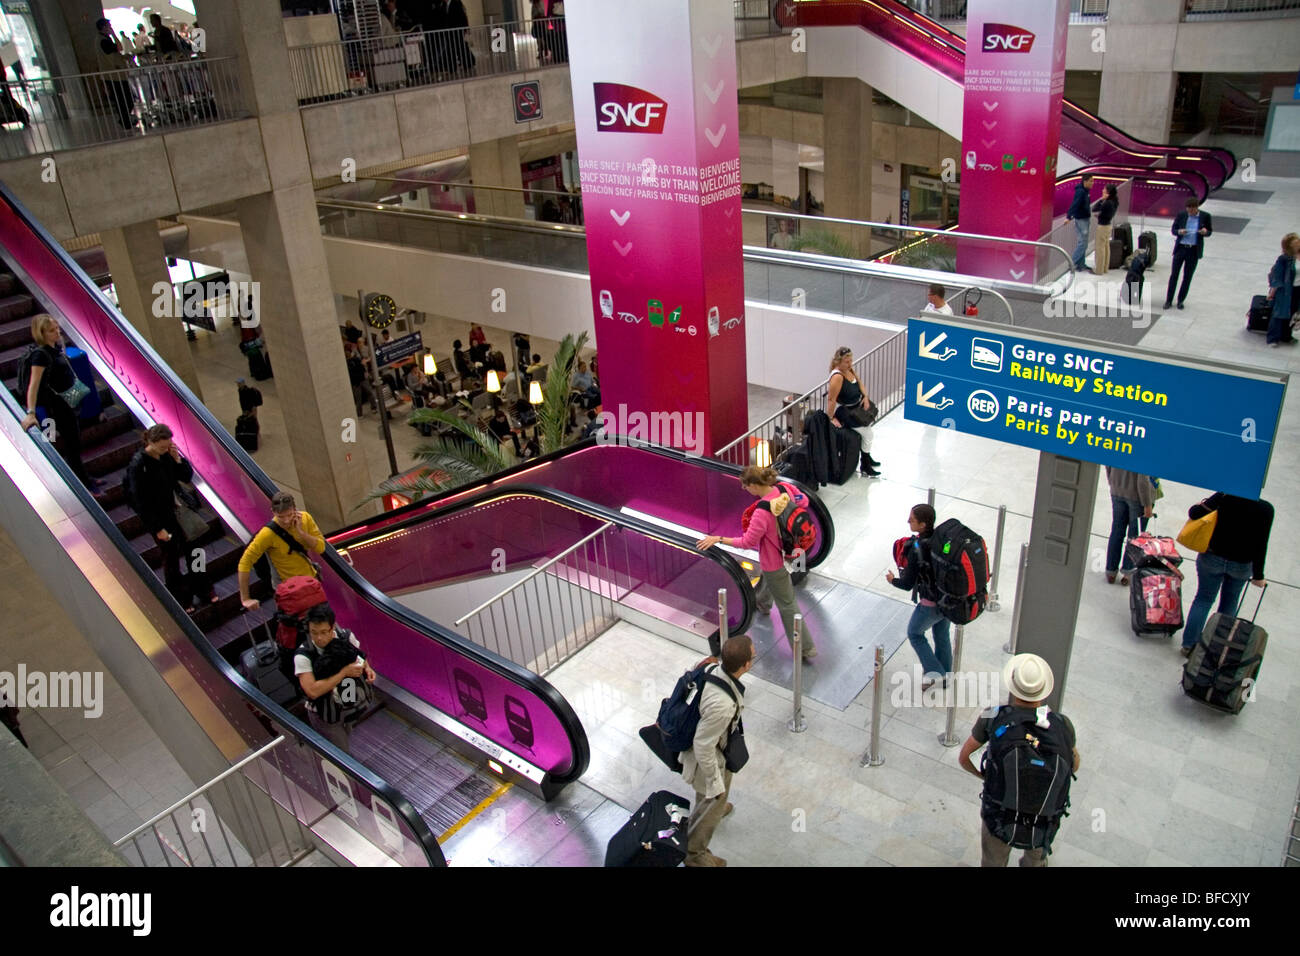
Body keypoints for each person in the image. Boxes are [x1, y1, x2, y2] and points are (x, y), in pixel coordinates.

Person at [958, 654, 1080, 867]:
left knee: (993, 861)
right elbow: (1074, 765)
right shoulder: (1062, 725)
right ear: (1044, 689)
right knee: (1035, 863)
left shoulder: (993, 716)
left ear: (1013, 686)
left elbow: (965, 757)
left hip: (999, 815)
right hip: (1043, 819)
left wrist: (987, 776)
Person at [696, 466, 817, 661]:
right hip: (793, 551)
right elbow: (804, 501)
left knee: (787, 605)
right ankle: (762, 603)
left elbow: (747, 542)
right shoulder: (784, 488)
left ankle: (805, 648)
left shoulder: (762, 511)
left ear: (754, 485)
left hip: (775, 560)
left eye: (746, 487)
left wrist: (718, 538)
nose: (746, 491)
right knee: (771, 581)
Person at [676, 634, 753, 867]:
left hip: (711, 746)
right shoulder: (722, 706)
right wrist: (714, 782)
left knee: (714, 795)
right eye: (753, 656)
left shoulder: (711, 668)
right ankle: (695, 855)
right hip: (708, 758)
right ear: (745, 665)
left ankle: (715, 805)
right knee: (713, 797)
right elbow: (703, 745)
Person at [124, 423, 215, 612]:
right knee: (171, 558)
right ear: (151, 442)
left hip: (180, 512)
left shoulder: (167, 456)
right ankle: (182, 599)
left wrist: (177, 459)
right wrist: (157, 529)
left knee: (195, 552)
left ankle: (204, 588)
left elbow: (185, 477)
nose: (166, 450)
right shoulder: (139, 465)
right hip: (161, 519)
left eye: (168, 446)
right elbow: (141, 502)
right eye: (163, 447)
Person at [1180, 492, 1273, 655]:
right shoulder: (1265, 509)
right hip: (1242, 565)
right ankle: (1216, 647)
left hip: (1212, 557)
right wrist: (1258, 575)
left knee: (1203, 599)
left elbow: (1194, 513)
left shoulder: (1224, 496)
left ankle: (1189, 645)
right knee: (1229, 604)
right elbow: (1261, 544)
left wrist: (1205, 503)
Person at [19, 315, 100, 491]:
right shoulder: (41, 355)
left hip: (67, 403)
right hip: (57, 407)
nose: (56, 332)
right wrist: (30, 412)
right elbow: (33, 385)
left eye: (57, 329)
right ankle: (82, 485)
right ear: (41, 333)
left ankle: (85, 478)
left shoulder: (55, 348)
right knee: (71, 445)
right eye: (51, 330)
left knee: (75, 442)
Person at [294, 604, 376, 754]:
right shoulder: (303, 655)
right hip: (324, 713)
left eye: (324, 632)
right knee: (341, 751)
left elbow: (358, 656)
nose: (319, 638)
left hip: (347, 700)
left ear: (332, 628)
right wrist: (344, 673)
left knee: (349, 733)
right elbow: (312, 691)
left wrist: (367, 668)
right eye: (314, 632)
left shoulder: (345, 636)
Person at [886, 503, 951, 690]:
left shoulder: (917, 548)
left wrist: (892, 580)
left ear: (923, 524)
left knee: (914, 633)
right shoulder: (940, 538)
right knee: (942, 635)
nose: (908, 521)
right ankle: (946, 676)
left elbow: (907, 584)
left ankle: (935, 673)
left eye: (912, 519)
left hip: (930, 602)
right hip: (947, 599)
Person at [237, 492, 326, 611]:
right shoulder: (267, 534)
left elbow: (320, 548)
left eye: (289, 515)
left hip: (312, 583)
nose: (286, 520)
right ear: (273, 512)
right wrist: (245, 598)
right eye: (281, 517)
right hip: (290, 592)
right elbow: (245, 562)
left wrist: (302, 533)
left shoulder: (305, 518)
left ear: (295, 509)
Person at [825, 345, 879, 477]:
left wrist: (865, 397)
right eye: (846, 362)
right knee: (868, 434)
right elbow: (831, 400)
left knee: (867, 430)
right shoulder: (837, 377)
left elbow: (860, 383)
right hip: (847, 412)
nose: (850, 364)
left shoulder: (850, 370)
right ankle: (865, 464)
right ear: (839, 362)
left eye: (850, 361)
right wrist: (830, 418)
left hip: (858, 408)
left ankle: (867, 456)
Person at [1103, 467, 1155, 586]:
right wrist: (1147, 504)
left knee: (1116, 532)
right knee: (1134, 538)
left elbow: (1108, 462)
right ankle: (1127, 572)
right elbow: (1143, 479)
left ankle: (1111, 571)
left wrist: (1112, 481)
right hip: (1137, 496)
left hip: (1117, 490)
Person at [1165, 197, 1213, 310]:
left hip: (1193, 250)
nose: (1190, 212)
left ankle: (1180, 300)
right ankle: (1168, 300)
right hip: (1181, 248)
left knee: (1187, 276)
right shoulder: (1182, 215)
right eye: (1188, 210)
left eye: (1192, 210)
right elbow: (1174, 229)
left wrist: (1205, 232)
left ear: (1197, 208)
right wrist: (1179, 232)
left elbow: (1210, 231)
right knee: (1174, 275)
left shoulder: (1205, 216)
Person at [93, 18, 134, 131]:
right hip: (114, 76)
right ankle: (125, 121)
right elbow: (119, 48)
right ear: (103, 27)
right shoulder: (103, 40)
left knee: (124, 98)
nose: (110, 28)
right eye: (109, 26)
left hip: (115, 75)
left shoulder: (104, 39)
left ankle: (125, 119)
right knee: (124, 99)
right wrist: (115, 35)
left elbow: (115, 54)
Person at [1265, 232, 1299, 348]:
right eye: (1295, 243)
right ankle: (1273, 338)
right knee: (1279, 313)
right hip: (1285, 290)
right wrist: (1272, 291)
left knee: (1293, 313)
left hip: (1298, 289)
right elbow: (1277, 276)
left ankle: (1286, 335)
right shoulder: (1284, 259)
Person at [1065, 173, 1093, 272]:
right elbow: (1075, 203)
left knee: (1084, 242)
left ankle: (1081, 264)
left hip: (1085, 218)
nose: (1092, 183)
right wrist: (1069, 216)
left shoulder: (1086, 191)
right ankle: (1072, 263)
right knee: (1083, 243)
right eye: (1090, 181)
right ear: (1085, 181)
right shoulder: (1081, 192)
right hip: (1081, 219)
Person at [1091, 184, 1119, 274]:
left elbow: (1095, 208)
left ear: (1108, 192)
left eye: (1104, 189)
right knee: (1106, 247)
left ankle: (1099, 270)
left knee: (1100, 248)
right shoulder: (1114, 202)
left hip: (1102, 227)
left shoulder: (1107, 203)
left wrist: (1102, 200)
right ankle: (1104, 268)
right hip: (1108, 226)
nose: (1102, 190)